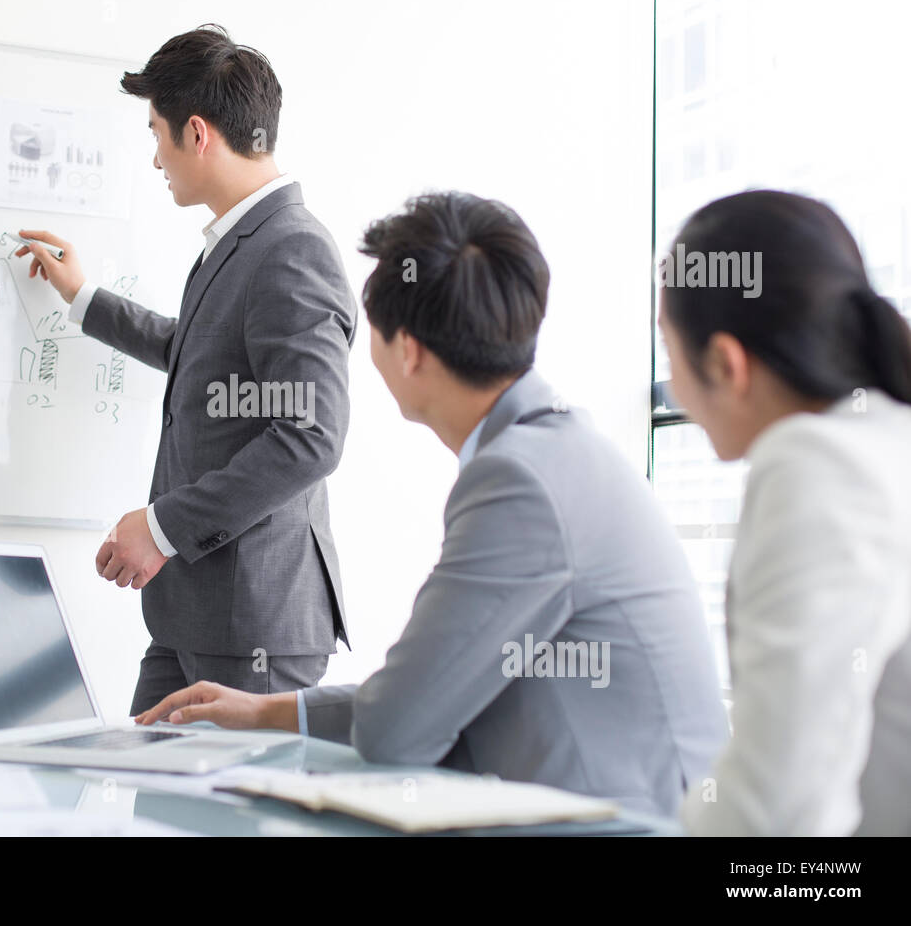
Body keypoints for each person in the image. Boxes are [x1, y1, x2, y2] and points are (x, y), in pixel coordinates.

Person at [136, 191, 728, 817]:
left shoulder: (519, 482)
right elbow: (422, 697)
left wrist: (276, 715)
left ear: (409, 351)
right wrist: (267, 711)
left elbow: (398, 727)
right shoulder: (553, 450)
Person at [15, 25, 356, 715]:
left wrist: (163, 526)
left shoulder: (291, 249)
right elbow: (198, 353)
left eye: (156, 134)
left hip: (253, 626)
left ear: (196, 133)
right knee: (138, 783)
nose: (154, 158)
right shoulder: (238, 242)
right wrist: (84, 298)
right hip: (193, 617)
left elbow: (311, 436)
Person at [658, 190, 911, 836]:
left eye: (668, 348)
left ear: (726, 363)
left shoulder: (819, 463)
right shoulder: (885, 440)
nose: (672, 384)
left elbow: (774, 812)